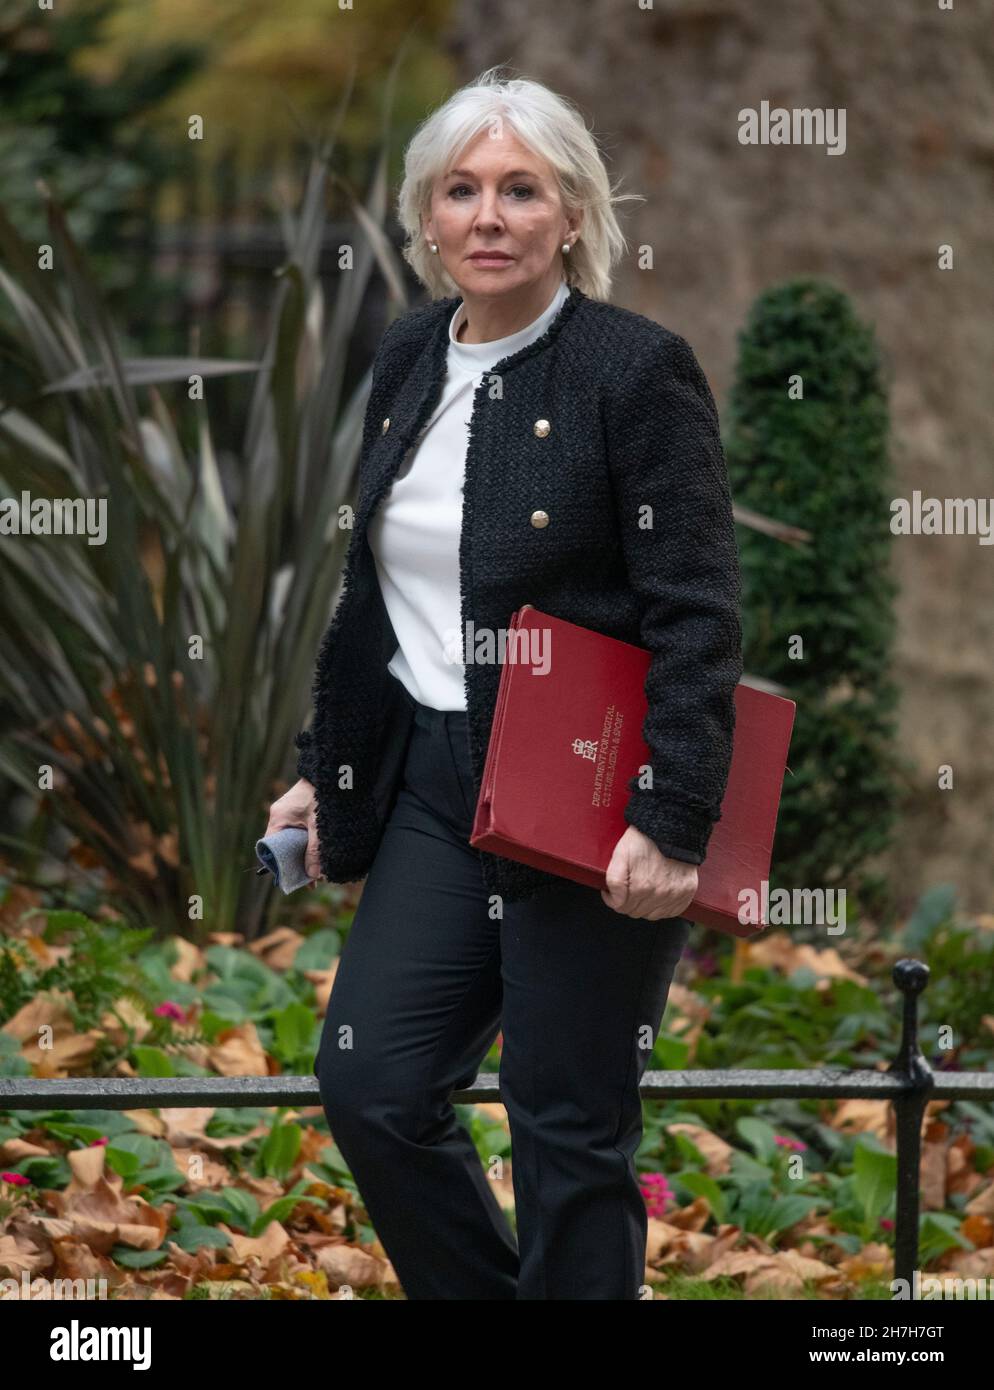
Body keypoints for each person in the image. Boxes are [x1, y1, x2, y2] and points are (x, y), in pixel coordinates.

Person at [265, 65, 743, 1300]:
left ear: (570, 215)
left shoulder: (634, 372)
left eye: (520, 190)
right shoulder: (411, 350)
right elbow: (376, 596)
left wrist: (672, 810)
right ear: (428, 216)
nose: (489, 215)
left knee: (569, 1129)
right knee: (373, 1085)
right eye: (462, 190)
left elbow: (697, 611)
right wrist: (326, 769)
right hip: (430, 781)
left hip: (580, 793)